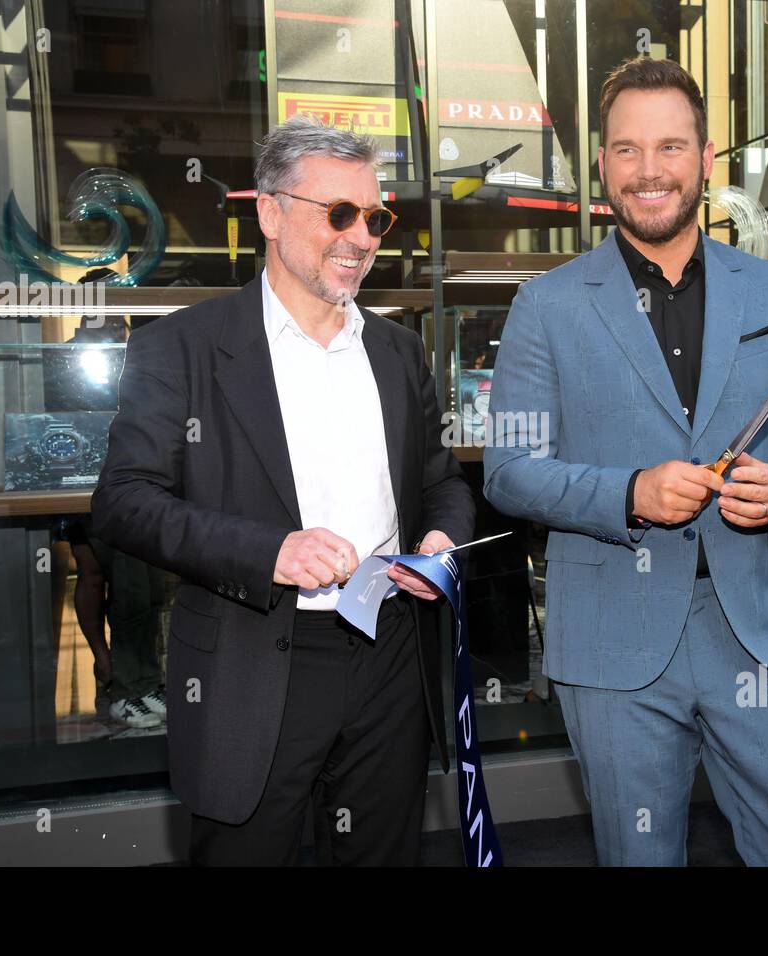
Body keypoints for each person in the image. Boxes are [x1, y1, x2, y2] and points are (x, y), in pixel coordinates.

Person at [484, 57, 768, 866]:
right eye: (626, 150)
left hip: (763, 630)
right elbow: (508, 471)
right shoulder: (545, 305)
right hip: (615, 639)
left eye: (671, 148)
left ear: (707, 158)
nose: (650, 171)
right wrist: (630, 495)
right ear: (601, 164)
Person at [90, 116, 475, 864]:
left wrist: (439, 540)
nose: (361, 237)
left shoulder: (399, 352)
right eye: (338, 213)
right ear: (270, 211)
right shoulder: (182, 348)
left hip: (392, 657)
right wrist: (270, 551)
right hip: (252, 661)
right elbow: (124, 502)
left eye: (375, 217)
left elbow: (441, 481)